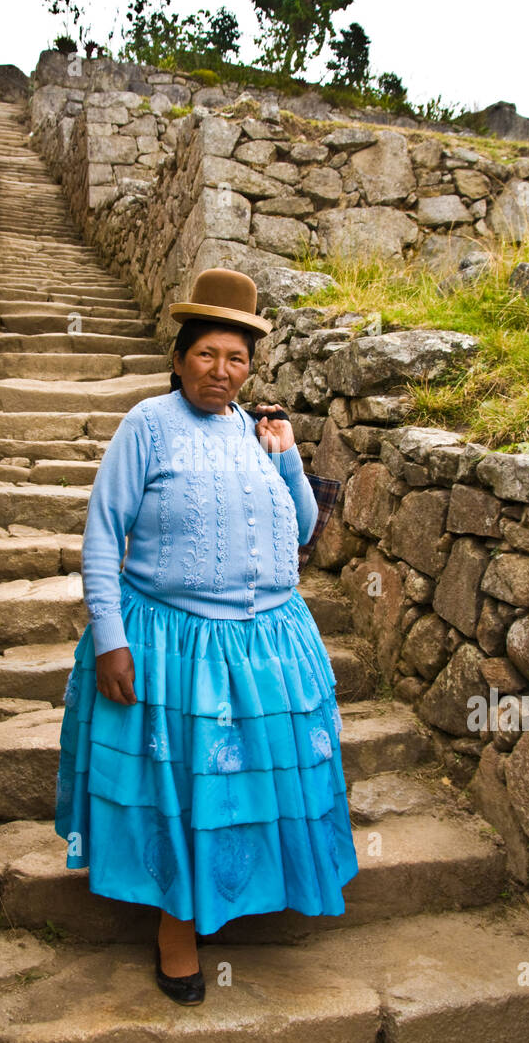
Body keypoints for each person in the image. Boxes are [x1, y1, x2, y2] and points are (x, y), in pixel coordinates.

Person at [55, 268, 359, 1005]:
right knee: (185, 788)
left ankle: (227, 892)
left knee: (245, 786)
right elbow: (103, 537)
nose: (222, 373)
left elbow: (303, 533)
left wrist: (286, 454)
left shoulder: (253, 435)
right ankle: (177, 928)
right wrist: (110, 637)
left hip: (267, 642)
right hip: (176, 643)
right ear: (181, 356)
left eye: (238, 360)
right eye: (207, 355)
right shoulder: (147, 425)